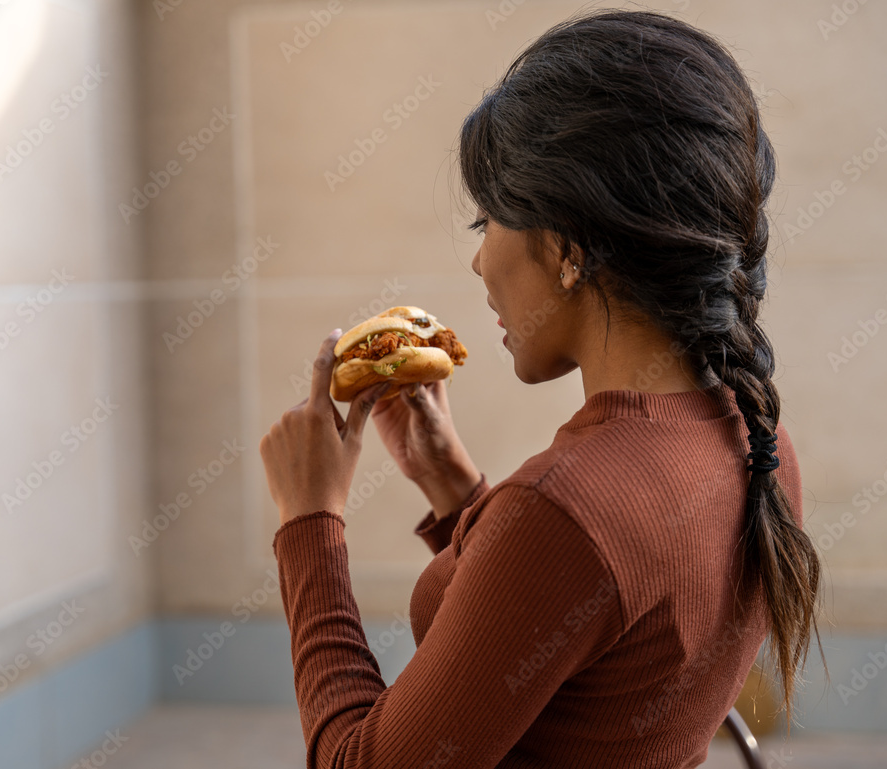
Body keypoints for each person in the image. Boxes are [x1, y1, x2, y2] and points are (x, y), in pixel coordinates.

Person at [259, 9, 823, 767]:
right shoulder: (762, 445)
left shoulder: (566, 508)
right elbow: (588, 658)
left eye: (485, 222)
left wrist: (310, 524)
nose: (478, 263)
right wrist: (454, 487)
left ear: (565, 249)